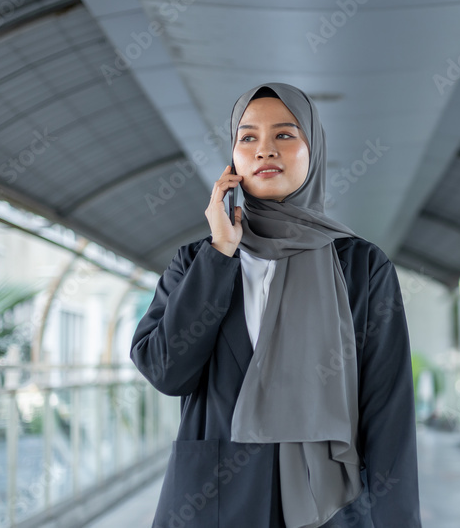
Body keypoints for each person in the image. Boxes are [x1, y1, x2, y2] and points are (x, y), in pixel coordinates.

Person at [130, 82, 422, 527]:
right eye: (248, 137)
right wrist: (218, 253)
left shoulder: (360, 266)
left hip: (327, 507)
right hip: (214, 501)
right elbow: (166, 371)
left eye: (285, 135)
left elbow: (388, 412)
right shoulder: (197, 261)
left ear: (314, 149)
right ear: (232, 159)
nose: (265, 150)